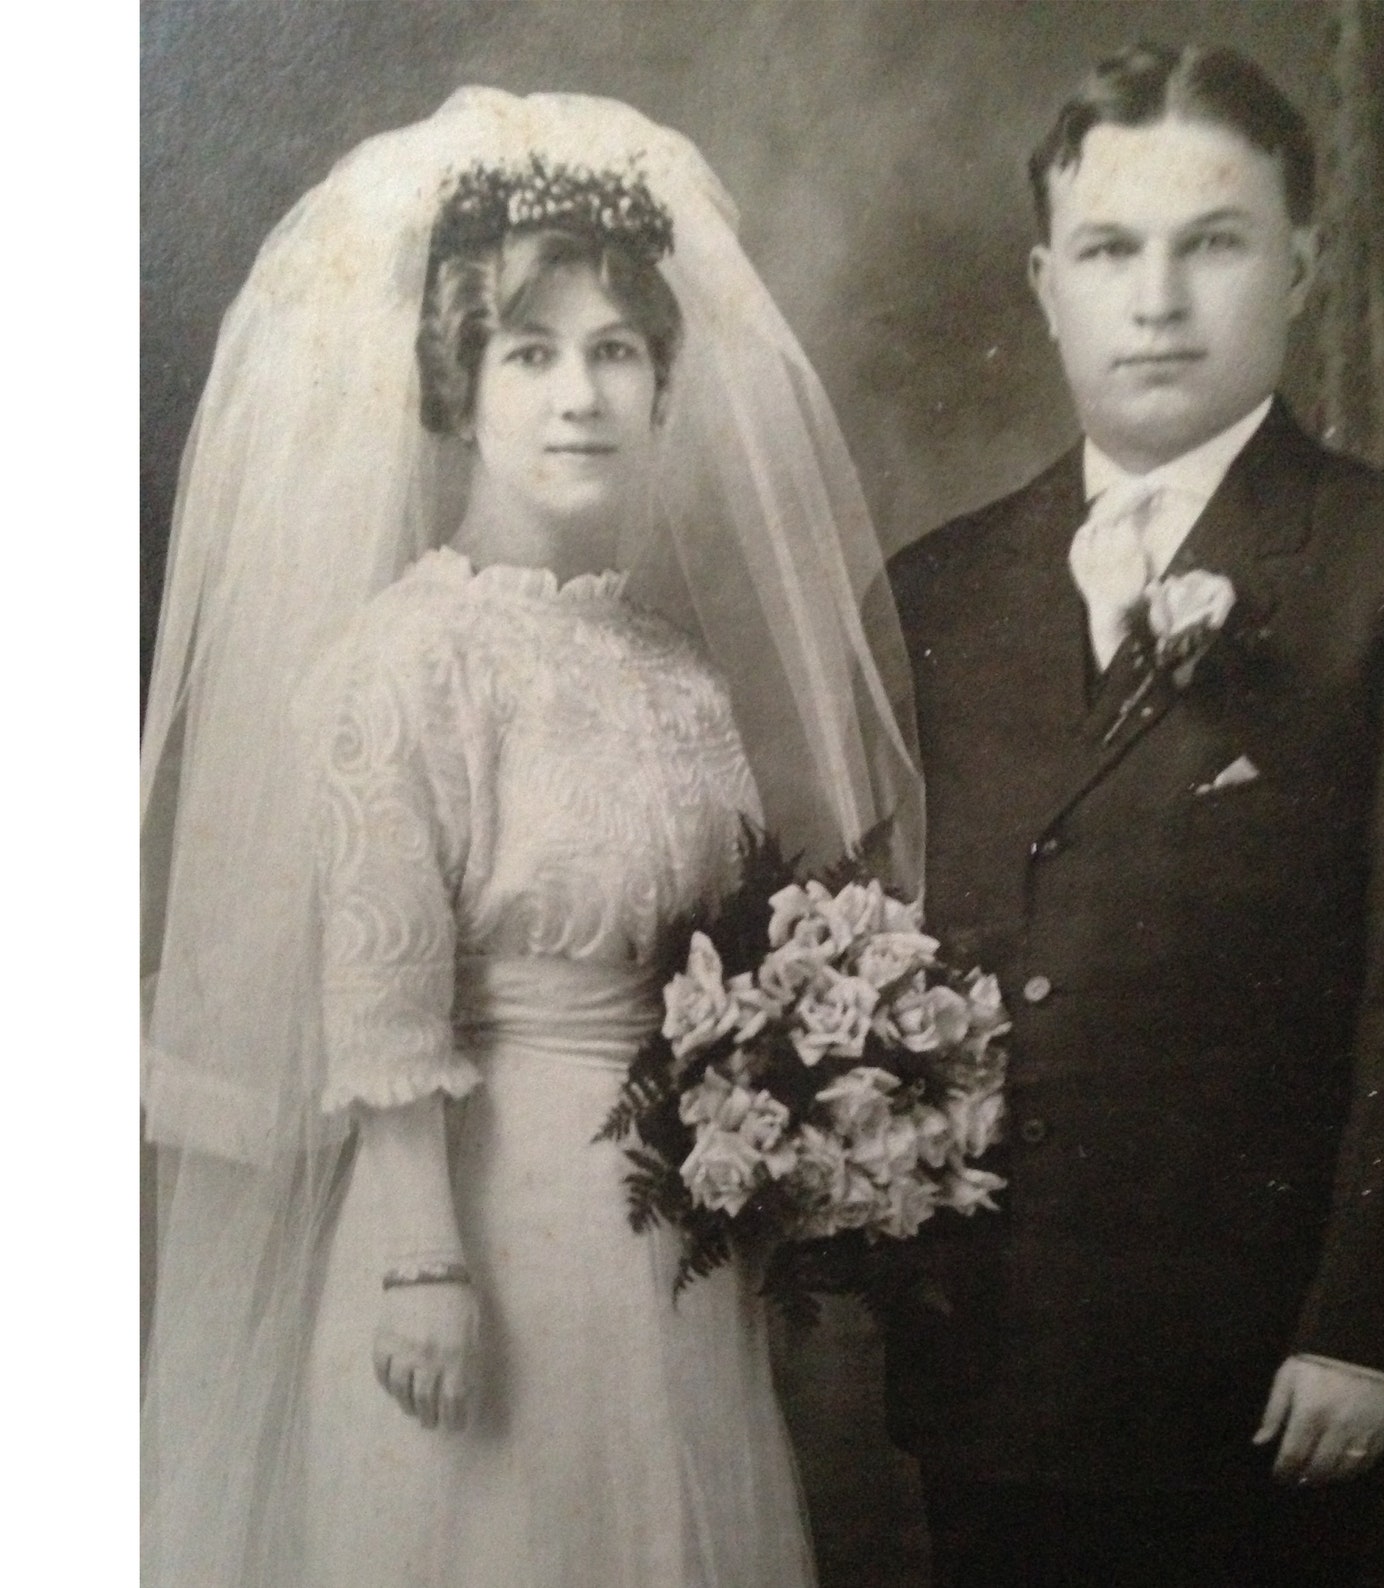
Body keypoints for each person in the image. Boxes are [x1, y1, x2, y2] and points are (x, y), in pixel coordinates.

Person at [140, 88, 923, 1588]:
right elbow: (381, 993)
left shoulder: (673, 669)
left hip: (669, 1247)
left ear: (660, 388)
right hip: (474, 1233)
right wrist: (424, 1262)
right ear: (463, 385)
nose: (580, 396)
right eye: (532, 353)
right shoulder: (403, 660)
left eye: (616, 354)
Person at [882, 43, 1384, 1587]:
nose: (1158, 301)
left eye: (1214, 243)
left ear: (1305, 263)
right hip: (1001, 1372)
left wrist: (1369, 1331)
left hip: (1273, 1386)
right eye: (1110, 252)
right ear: (1044, 281)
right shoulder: (937, 590)